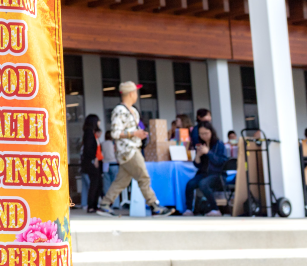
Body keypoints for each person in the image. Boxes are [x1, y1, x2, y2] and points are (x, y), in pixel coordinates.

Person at [98, 80, 175, 216]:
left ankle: (105, 204)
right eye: (135, 91)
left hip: (131, 149)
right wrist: (135, 133)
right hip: (128, 150)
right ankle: (154, 206)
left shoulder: (132, 110)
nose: (136, 94)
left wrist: (139, 134)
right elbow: (115, 133)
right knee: (143, 177)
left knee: (122, 180)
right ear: (130, 93)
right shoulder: (120, 110)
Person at [183, 122, 228, 215]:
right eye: (201, 134)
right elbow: (197, 165)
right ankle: (189, 209)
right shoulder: (201, 144)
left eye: (205, 133)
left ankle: (215, 209)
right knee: (190, 184)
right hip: (204, 173)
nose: (203, 136)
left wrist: (208, 153)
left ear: (211, 132)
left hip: (218, 174)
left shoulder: (219, 144)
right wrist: (198, 156)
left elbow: (222, 162)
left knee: (203, 184)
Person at [80, 115, 103, 213]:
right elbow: (88, 149)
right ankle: (91, 206)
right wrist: (94, 159)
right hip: (92, 162)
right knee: (94, 184)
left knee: (98, 184)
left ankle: (94, 204)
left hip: (95, 161)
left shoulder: (92, 133)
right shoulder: (89, 133)